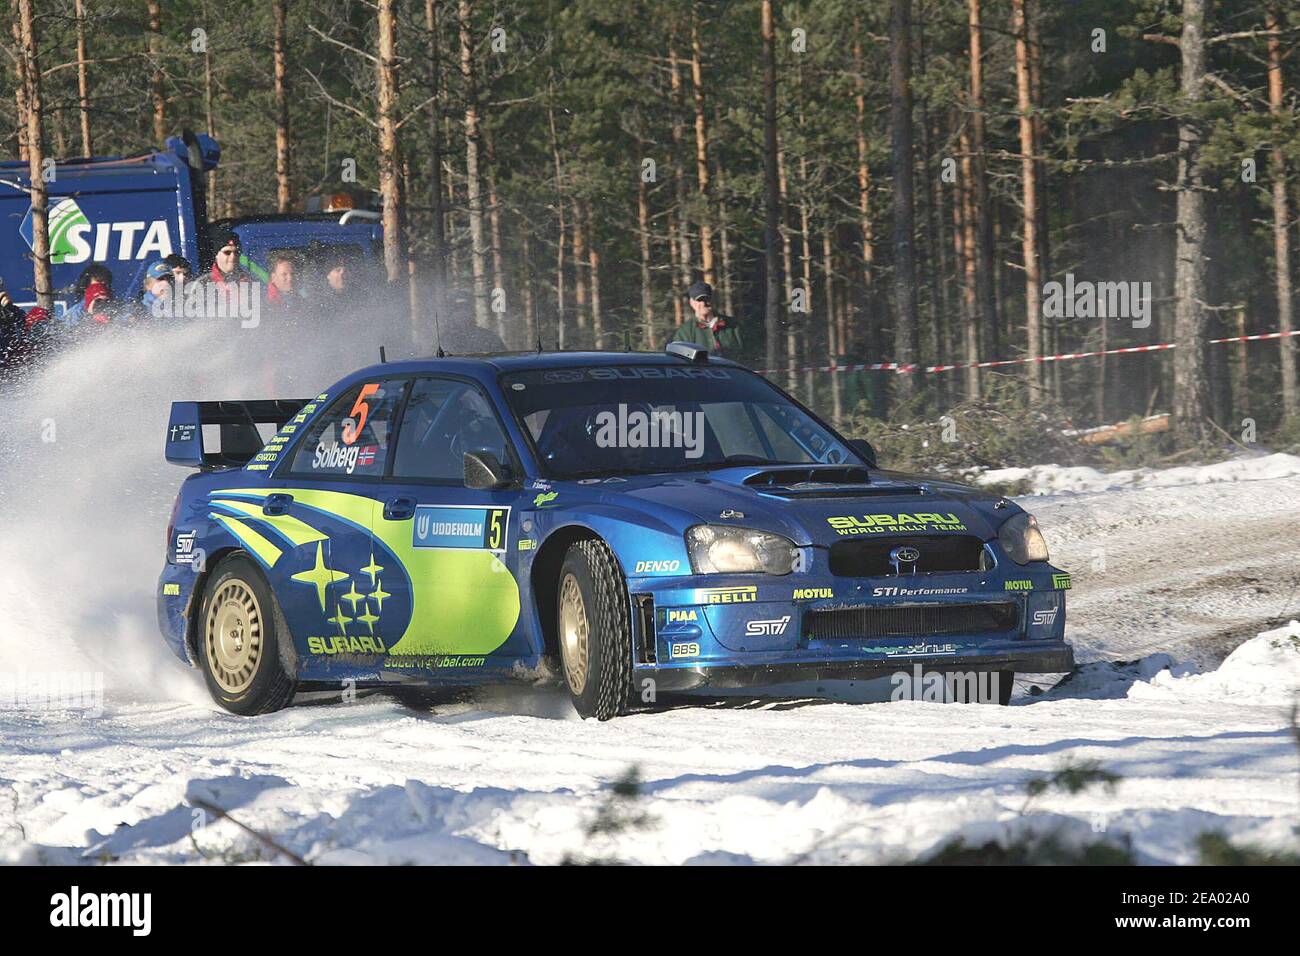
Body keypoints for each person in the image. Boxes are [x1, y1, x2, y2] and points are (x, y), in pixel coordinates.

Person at [670, 280, 747, 361]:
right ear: (691, 303)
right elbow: (679, 362)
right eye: (699, 300)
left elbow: (749, 356)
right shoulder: (684, 332)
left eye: (706, 299)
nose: (703, 304)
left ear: (713, 300)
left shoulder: (734, 326)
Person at [59, 263, 115, 329]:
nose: (102, 289)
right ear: (85, 287)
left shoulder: (117, 306)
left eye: (105, 285)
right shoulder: (74, 314)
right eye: (97, 286)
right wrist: (90, 317)